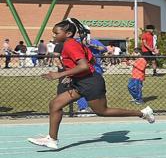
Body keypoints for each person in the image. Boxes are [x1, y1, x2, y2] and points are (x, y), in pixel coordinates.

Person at [25, 19, 156, 149]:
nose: (53, 35)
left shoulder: (71, 45)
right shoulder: (75, 44)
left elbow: (84, 66)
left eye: (56, 33)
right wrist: (72, 75)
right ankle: (52, 139)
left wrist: (59, 74)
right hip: (82, 82)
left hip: (90, 83)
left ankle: (143, 113)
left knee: (102, 111)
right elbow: (91, 60)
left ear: (68, 34)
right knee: (55, 104)